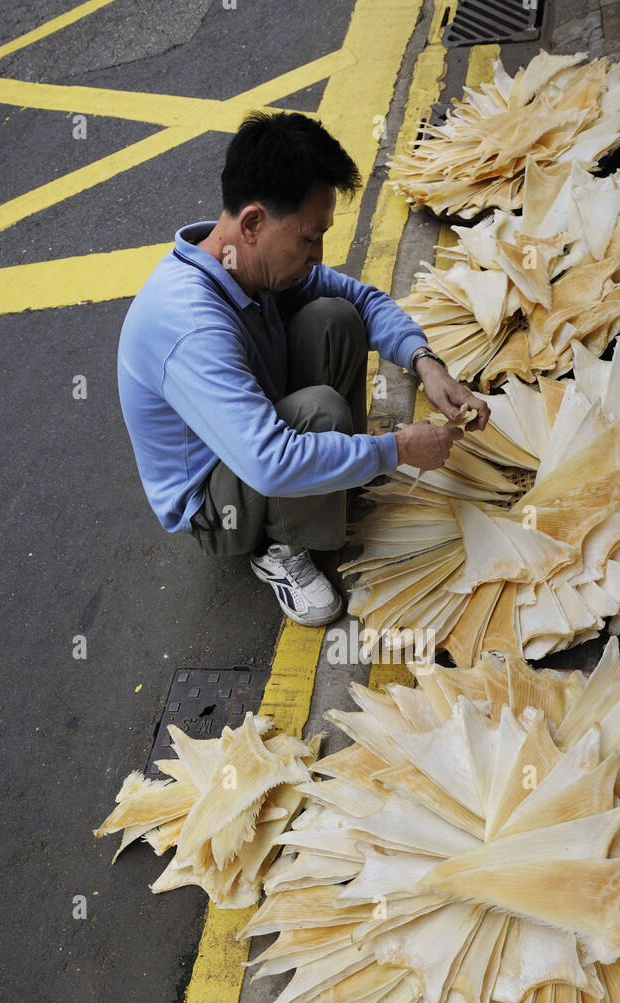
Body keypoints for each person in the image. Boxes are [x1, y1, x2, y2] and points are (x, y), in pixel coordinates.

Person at [117, 110, 489, 625]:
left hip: (251, 430)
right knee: (319, 412)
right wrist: (397, 450)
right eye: (309, 238)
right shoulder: (190, 324)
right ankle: (280, 548)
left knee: (335, 317)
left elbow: (363, 298)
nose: (317, 256)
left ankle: (335, 481)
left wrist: (426, 363)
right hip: (216, 504)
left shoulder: (249, 262)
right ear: (251, 223)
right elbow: (268, 460)